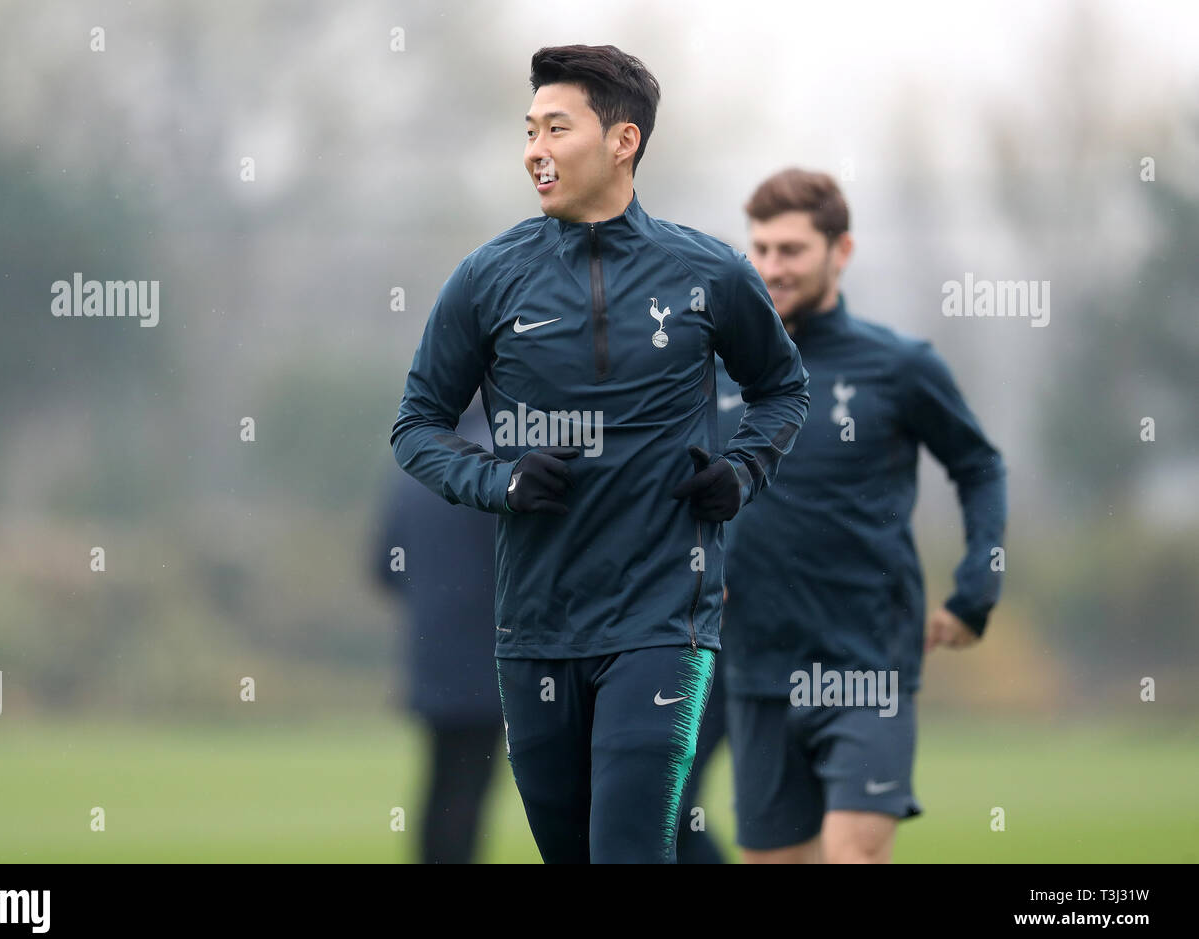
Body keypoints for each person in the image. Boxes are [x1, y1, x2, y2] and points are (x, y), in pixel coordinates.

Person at [389, 44, 808, 863]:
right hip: (535, 630)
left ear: (623, 141)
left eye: (556, 127)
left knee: (629, 848)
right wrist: (498, 479)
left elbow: (782, 390)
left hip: (663, 621)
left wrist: (743, 469)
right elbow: (416, 426)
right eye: (529, 130)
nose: (534, 150)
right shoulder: (487, 277)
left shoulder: (709, 271)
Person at [715, 168, 1007, 863]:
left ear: (840, 252)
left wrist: (976, 591)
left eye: (792, 250)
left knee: (854, 855)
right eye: (760, 249)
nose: (772, 267)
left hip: (867, 660)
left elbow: (980, 466)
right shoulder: (719, 368)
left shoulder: (899, 365)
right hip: (754, 666)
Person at [375, 401, 504, 864]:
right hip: (492, 655)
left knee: (443, 785)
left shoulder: (412, 466)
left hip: (432, 653)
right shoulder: (503, 460)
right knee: (469, 791)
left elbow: (383, 567)